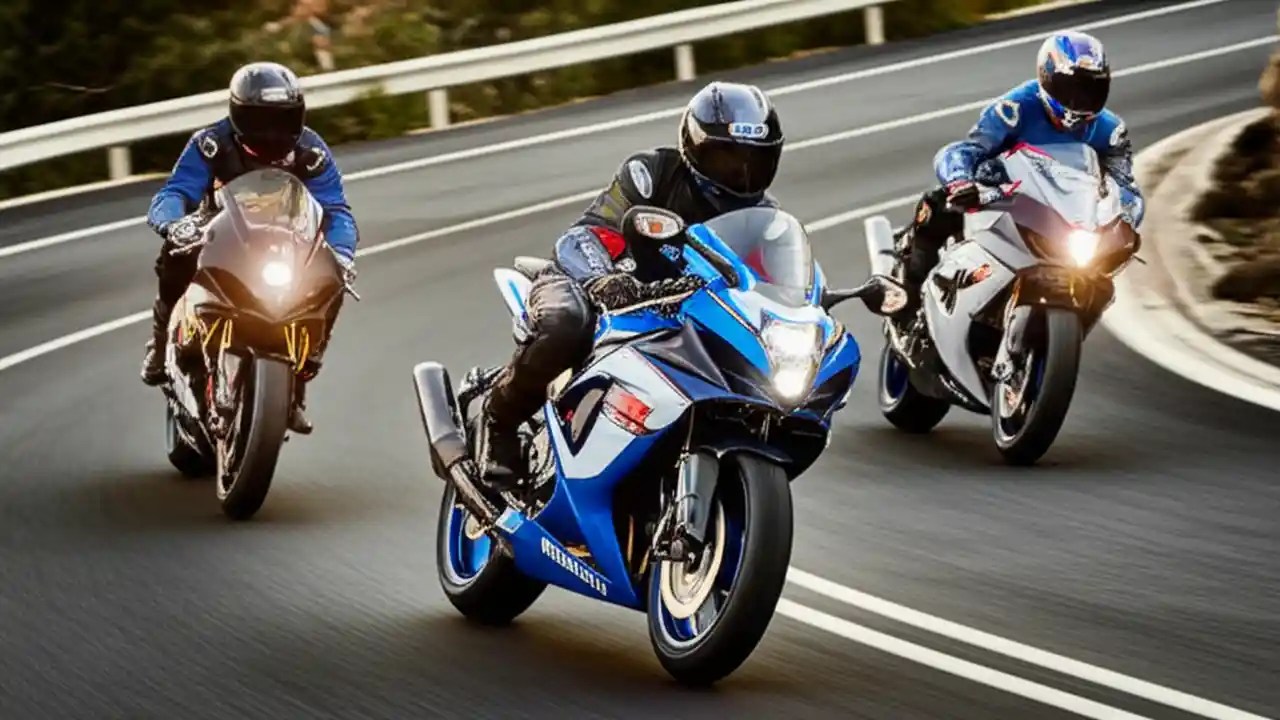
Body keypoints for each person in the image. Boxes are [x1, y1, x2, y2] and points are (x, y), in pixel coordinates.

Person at [476, 80, 786, 489]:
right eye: (728, 157)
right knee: (566, 323)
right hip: (595, 287)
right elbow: (583, 236)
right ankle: (497, 422)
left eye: (755, 160)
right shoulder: (652, 175)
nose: (742, 173)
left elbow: (771, 287)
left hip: (682, 316)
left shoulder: (765, 217)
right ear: (695, 146)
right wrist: (604, 280)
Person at [140, 61, 358, 435]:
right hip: (219, 237)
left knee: (331, 277)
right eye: (260, 121)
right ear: (238, 115)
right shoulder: (211, 144)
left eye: (282, 120)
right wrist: (175, 224)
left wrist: (342, 253)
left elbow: (336, 210)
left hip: (285, 243)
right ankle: (160, 343)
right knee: (174, 256)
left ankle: (300, 379)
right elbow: (175, 191)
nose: (272, 133)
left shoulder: (312, 152)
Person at [895, 30, 1144, 312]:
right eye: (1070, 89)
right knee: (937, 204)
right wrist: (960, 182)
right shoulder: (1013, 109)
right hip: (1006, 197)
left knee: (1103, 279)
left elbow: (1126, 186)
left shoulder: (1111, 131)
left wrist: (1123, 220)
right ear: (1047, 79)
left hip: (1068, 217)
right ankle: (908, 292)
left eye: (1091, 90)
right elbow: (966, 151)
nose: (1080, 100)